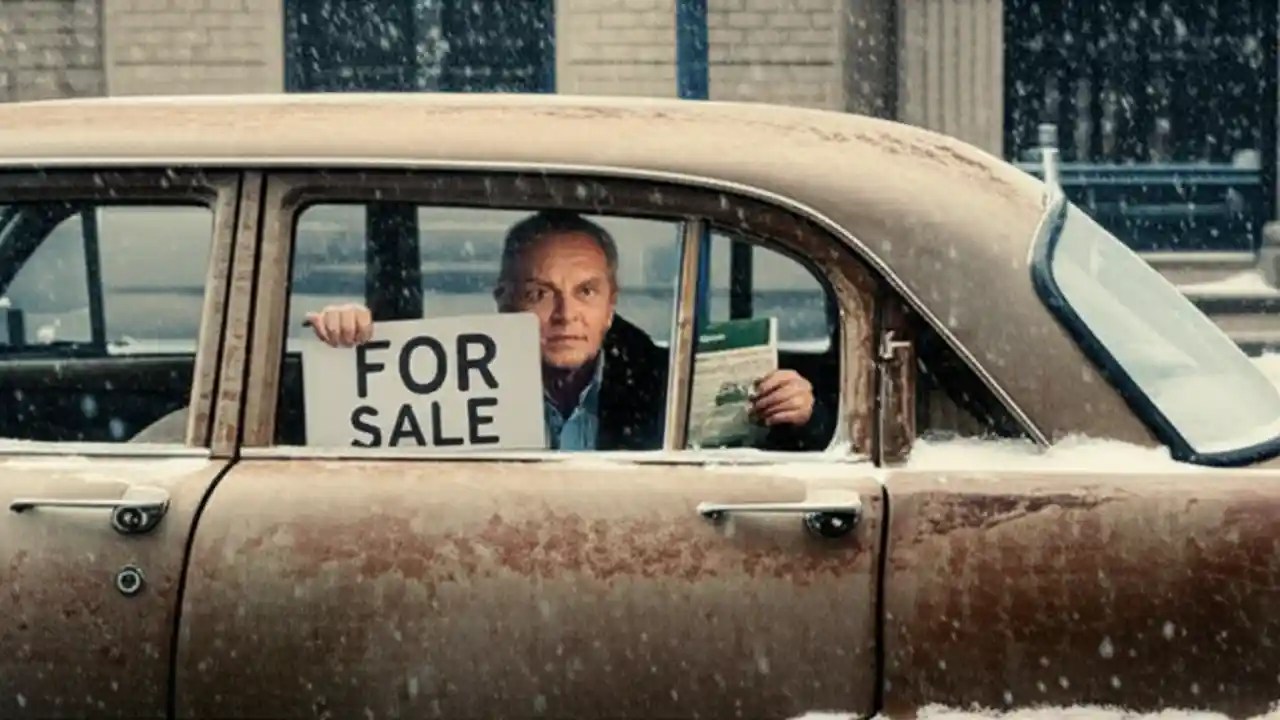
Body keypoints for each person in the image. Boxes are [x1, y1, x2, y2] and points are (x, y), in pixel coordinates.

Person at [309, 209, 822, 451]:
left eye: (585, 292)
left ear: (611, 304)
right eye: (538, 293)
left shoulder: (672, 385)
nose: (564, 315)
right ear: (503, 300)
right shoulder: (446, 376)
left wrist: (802, 416)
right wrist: (349, 345)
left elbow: (757, 473)